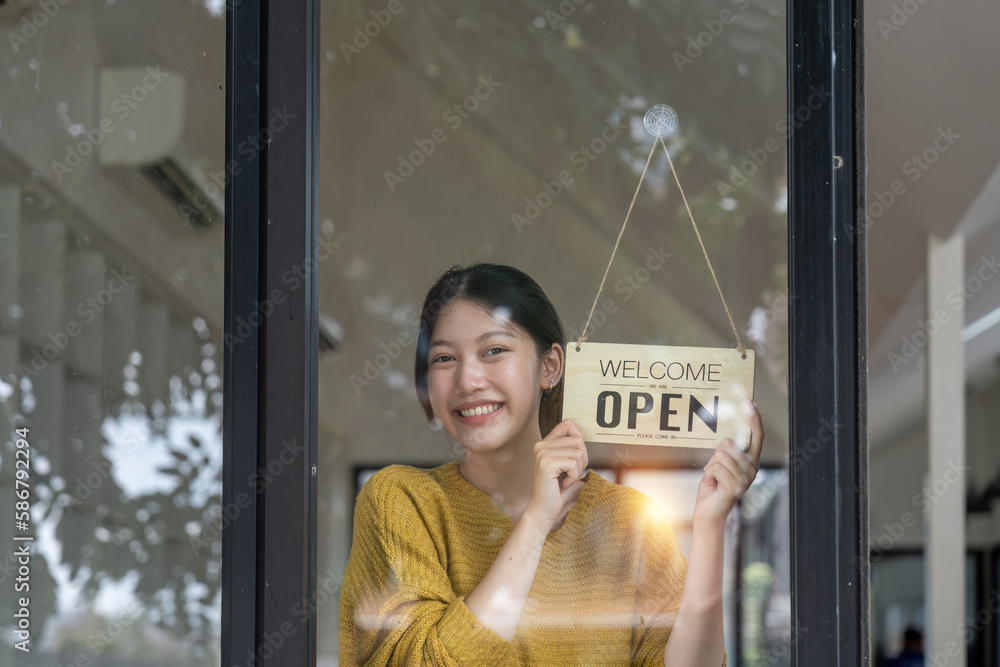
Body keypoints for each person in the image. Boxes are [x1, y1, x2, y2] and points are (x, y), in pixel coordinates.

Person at [338, 263, 764, 665]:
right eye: (444, 358)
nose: (467, 380)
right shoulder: (400, 502)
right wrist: (536, 522)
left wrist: (711, 525)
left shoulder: (627, 521)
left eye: (494, 350)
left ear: (550, 366)